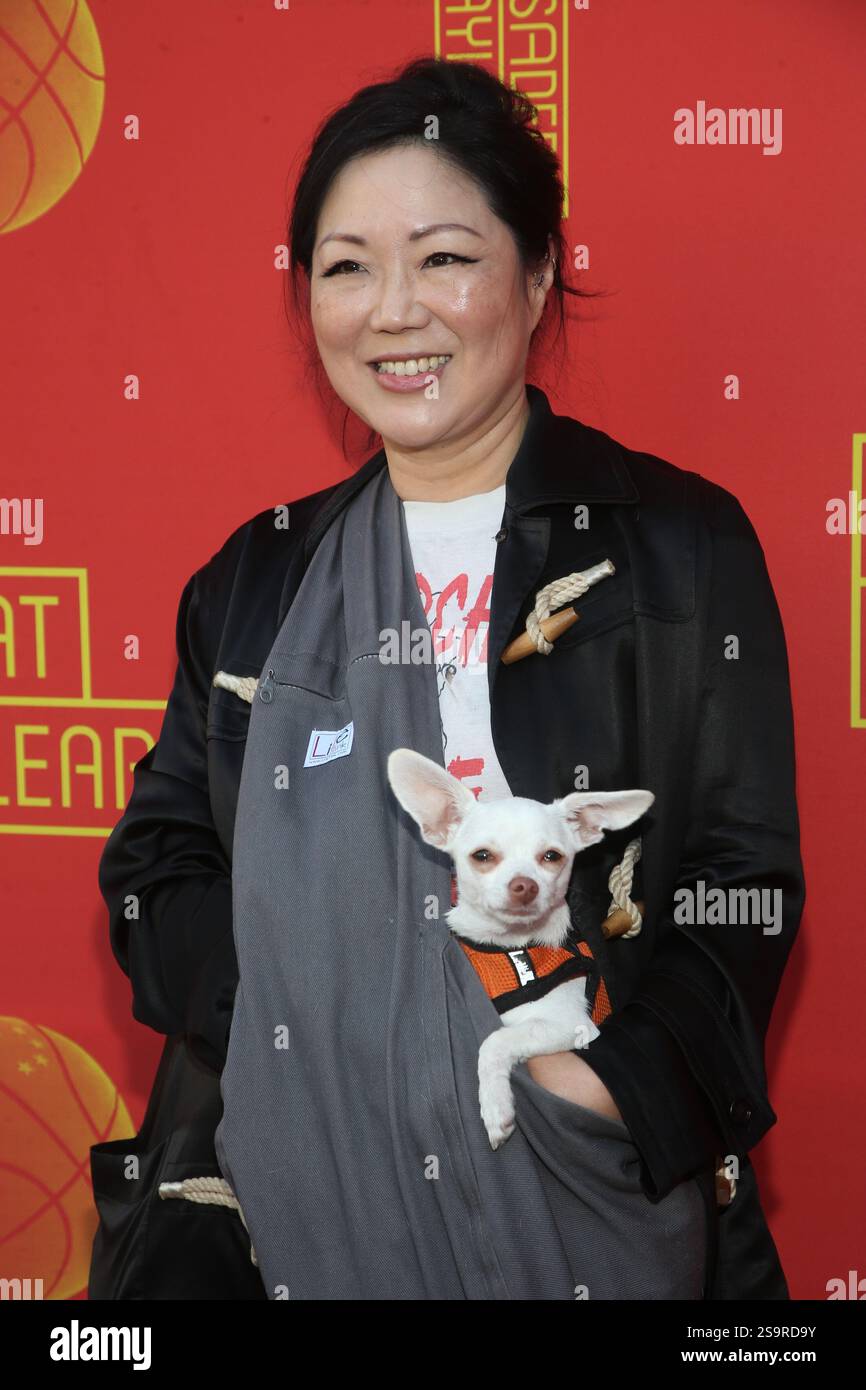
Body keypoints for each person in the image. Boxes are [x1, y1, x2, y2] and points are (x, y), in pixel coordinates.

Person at [90, 56, 805, 1301]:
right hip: (303, 1183)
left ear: (533, 277)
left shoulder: (674, 543)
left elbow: (740, 877)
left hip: (580, 1167)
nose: (392, 311)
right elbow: (156, 874)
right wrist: (312, 1020)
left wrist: (606, 1088)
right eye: (346, 265)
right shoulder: (257, 580)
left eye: (444, 258)